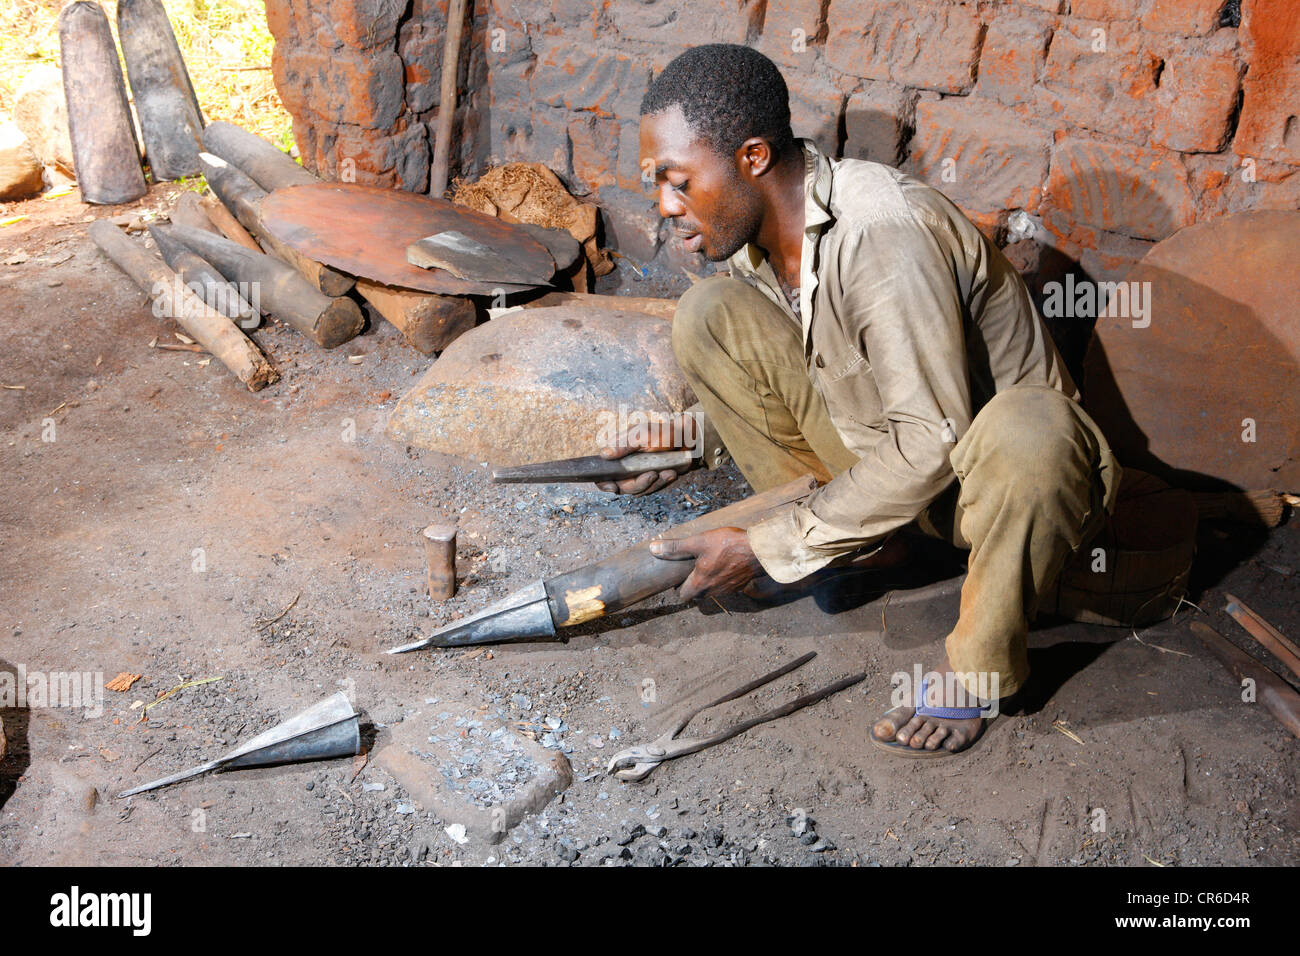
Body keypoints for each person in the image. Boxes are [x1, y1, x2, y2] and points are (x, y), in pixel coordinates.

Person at [599, 43, 1123, 757]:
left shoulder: (882, 234)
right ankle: (869, 548)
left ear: (752, 157)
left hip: (995, 486)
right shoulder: (761, 240)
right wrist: (694, 442)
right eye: (656, 182)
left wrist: (767, 546)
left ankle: (975, 665)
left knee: (1035, 429)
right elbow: (825, 369)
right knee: (709, 316)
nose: (665, 207)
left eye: (679, 181)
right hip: (896, 467)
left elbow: (936, 439)